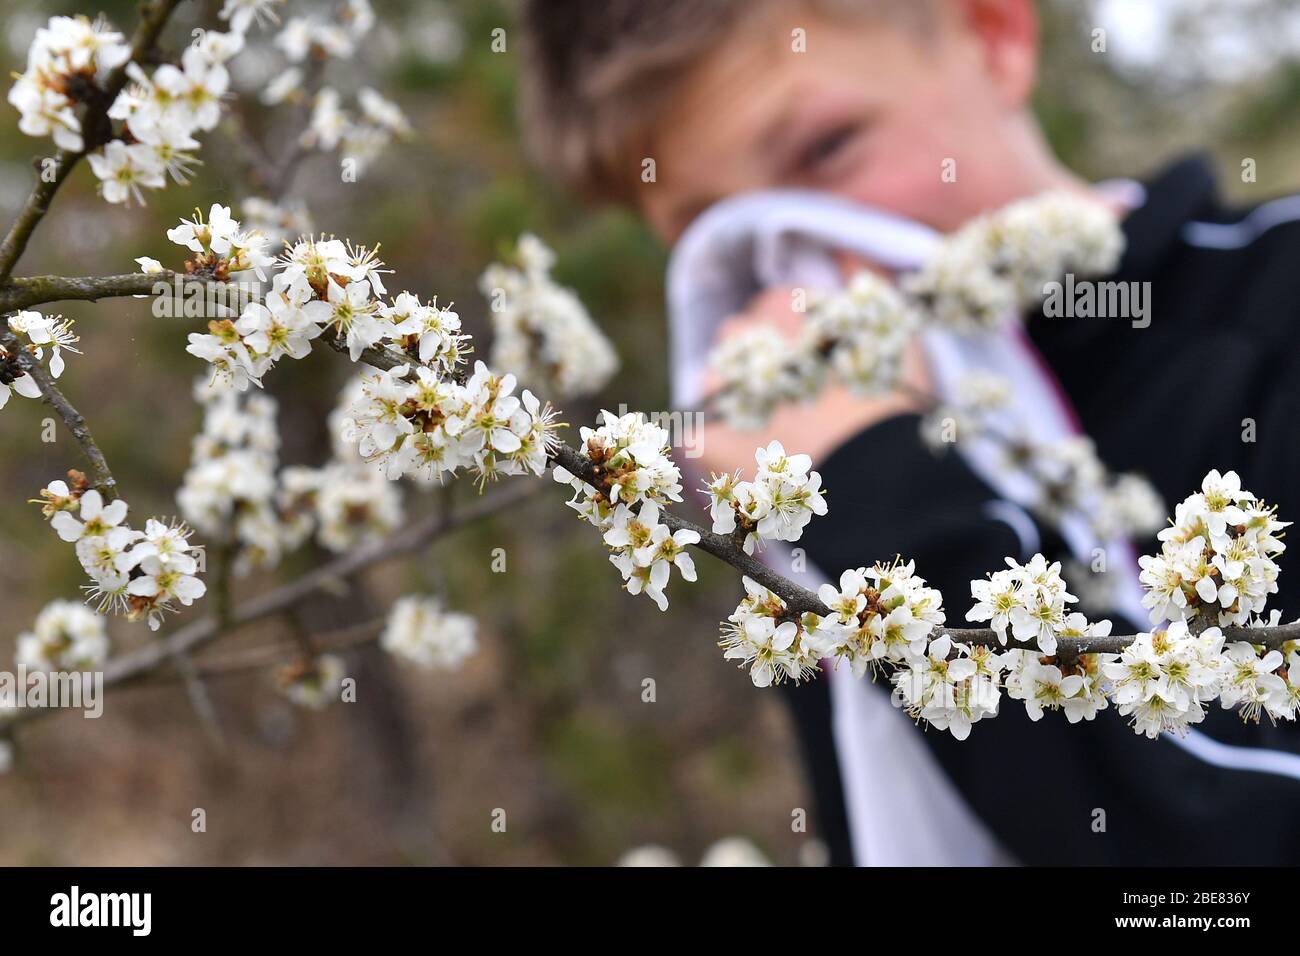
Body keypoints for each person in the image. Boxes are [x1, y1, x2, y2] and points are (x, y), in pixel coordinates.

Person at [518, 0, 1300, 864]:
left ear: (994, 36)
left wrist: (886, 494)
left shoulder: (1275, 312)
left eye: (825, 149)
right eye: (717, 235)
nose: (798, 265)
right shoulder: (798, 501)